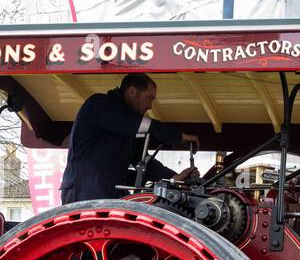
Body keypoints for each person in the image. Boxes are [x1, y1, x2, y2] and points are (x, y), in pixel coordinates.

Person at [60, 73, 201, 204]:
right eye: (149, 98)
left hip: (108, 195)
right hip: (83, 194)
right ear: (132, 92)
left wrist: (175, 177)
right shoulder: (99, 104)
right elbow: (144, 125)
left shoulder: (126, 126)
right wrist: (178, 137)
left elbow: (143, 161)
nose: (150, 106)